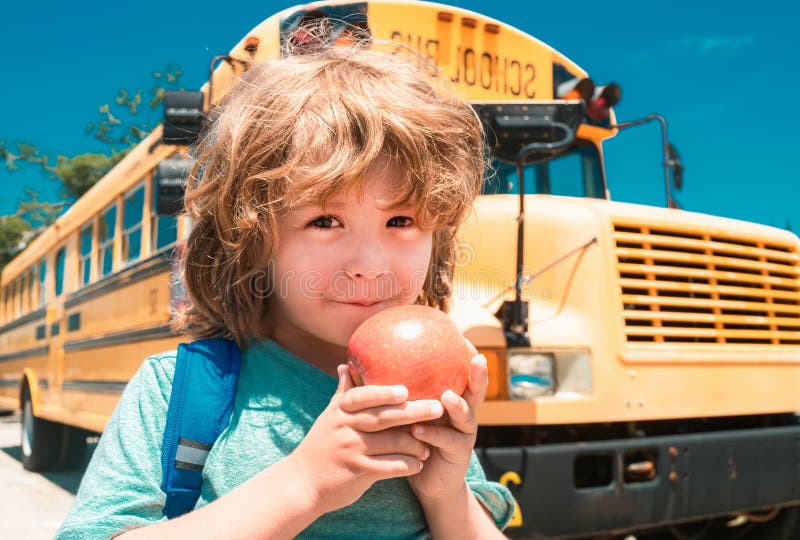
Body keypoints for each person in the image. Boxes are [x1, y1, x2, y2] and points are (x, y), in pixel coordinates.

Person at [56, 30, 515, 540]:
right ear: (251, 240)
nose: (369, 264)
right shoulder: (182, 391)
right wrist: (304, 485)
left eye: (401, 221)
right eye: (324, 221)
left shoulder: (426, 384)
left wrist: (446, 494)